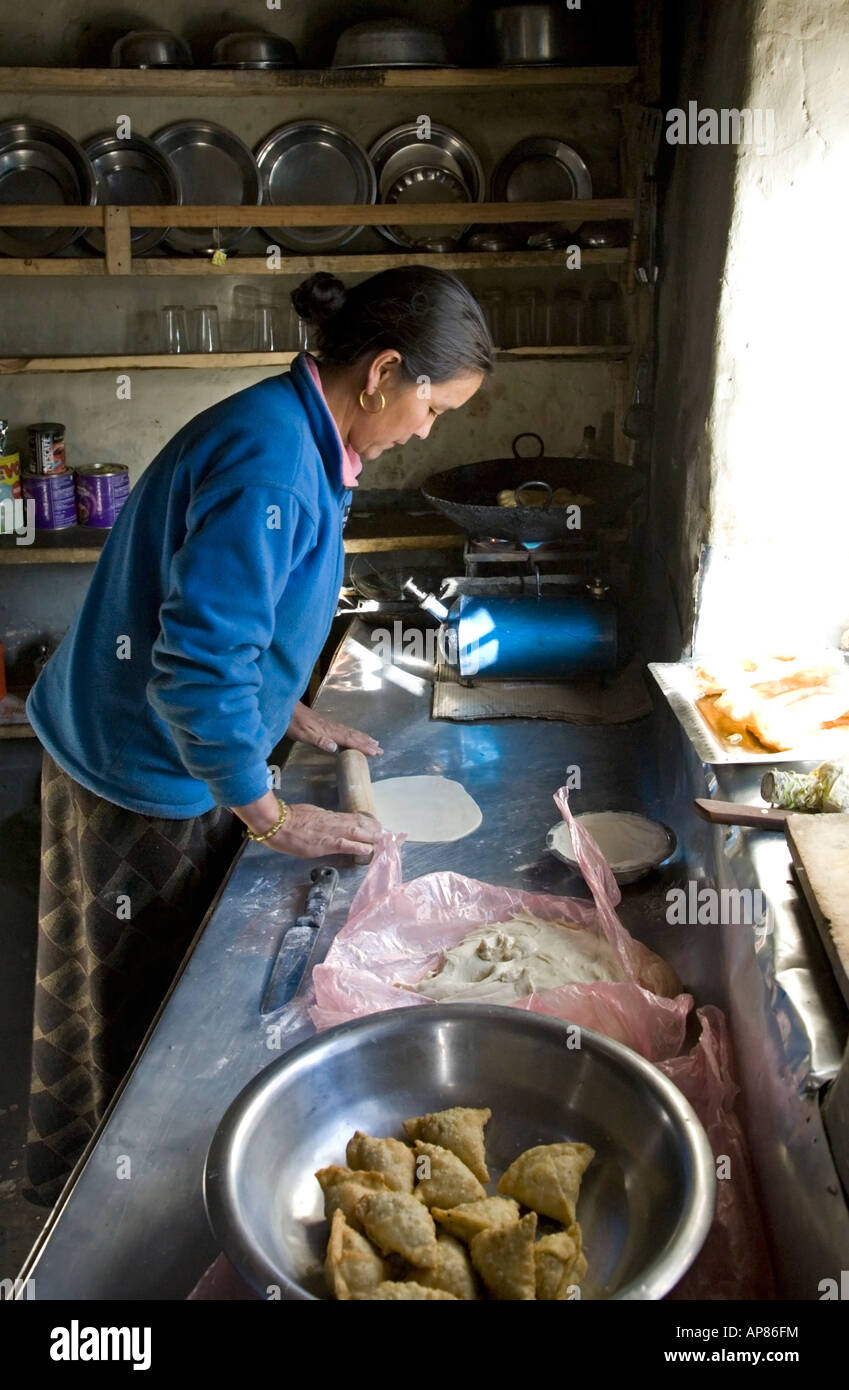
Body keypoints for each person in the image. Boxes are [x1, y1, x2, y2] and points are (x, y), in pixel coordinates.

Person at [23, 267, 494, 1204]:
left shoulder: (301, 435)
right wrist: (270, 815)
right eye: (433, 406)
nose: (425, 430)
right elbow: (197, 665)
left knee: (146, 997)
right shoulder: (273, 457)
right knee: (139, 1019)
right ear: (384, 371)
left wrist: (285, 706)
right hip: (134, 766)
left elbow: (227, 611)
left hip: (146, 738)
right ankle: (99, 1210)